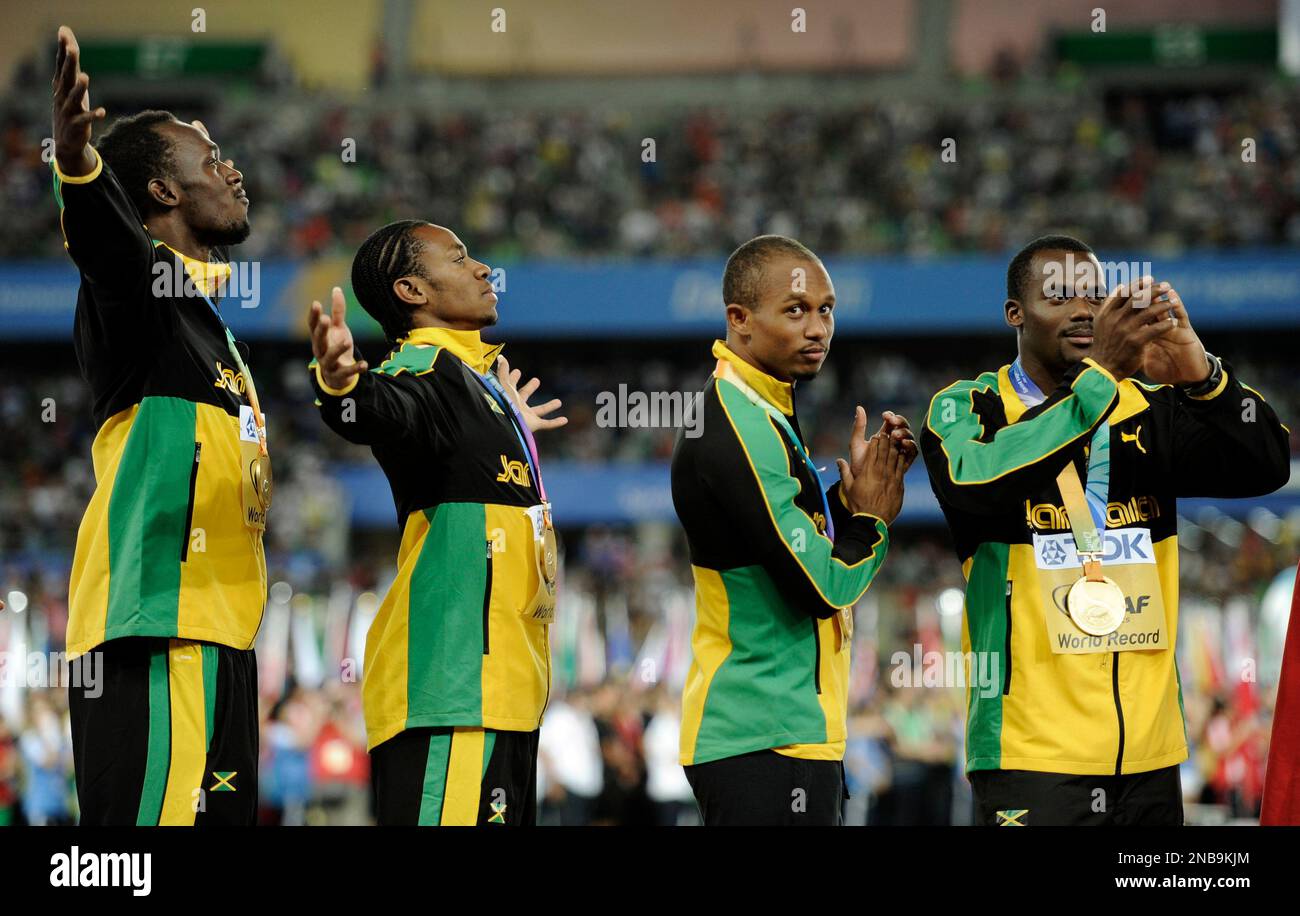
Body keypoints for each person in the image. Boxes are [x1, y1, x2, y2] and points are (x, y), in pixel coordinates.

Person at [920, 234, 1290, 826]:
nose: (1084, 309)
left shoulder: (1145, 408)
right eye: (1060, 295)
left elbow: (1267, 463)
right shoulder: (968, 408)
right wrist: (1100, 378)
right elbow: (974, 482)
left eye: (1094, 294)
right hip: (1031, 752)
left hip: (1149, 754)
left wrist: (1201, 375)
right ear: (1015, 314)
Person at [52, 25, 266, 826]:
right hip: (154, 631)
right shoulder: (142, 294)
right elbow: (108, 248)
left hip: (222, 640)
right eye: (212, 160)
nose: (232, 168)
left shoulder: (211, 324)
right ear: (166, 193)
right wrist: (78, 165)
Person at [308, 220, 565, 825]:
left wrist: (509, 423)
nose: (482, 269)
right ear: (412, 292)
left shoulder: (479, 385)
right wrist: (342, 382)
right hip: (450, 697)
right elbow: (377, 409)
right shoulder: (420, 372)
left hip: (505, 698)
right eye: (460, 258)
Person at [671, 234, 914, 826]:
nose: (817, 328)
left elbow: (772, 537)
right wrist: (870, 519)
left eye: (826, 309)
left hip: (788, 733)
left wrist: (846, 498)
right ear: (740, 320)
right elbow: (822, 586)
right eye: (796, 310)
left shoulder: (764, 411)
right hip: (761, 735)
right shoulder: (735, 418)